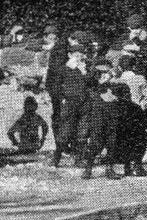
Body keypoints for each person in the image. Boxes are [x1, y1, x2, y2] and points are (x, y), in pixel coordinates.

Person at [51, 39, 94, 168]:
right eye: (76, 55)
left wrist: (84, 72)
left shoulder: (87, 68)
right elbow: (55, 86)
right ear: (70, 55)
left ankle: (79, 158)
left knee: (83, 131)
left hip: (84, 103)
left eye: (81, 55)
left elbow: (92, 83)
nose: (79, 58)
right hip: (69, 103)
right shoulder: (64, 69)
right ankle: (56, 158)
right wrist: (61, 98)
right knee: (65, 131)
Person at [82, 81, 129, 179]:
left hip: (111, 128)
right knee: (94, 148)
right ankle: (88, 170)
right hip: (98, 128)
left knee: (111, 148)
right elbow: (88, 115)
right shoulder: (96, 101)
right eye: (114, 93)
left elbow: (120, 116)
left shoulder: (116, 102)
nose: (116, 96)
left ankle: (108, 170)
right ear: (108, 90)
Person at [116, 56, 147, 175]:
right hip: (137, 112)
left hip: (121, 113)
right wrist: (144, 105)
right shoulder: (140, 78)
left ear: (120, 68)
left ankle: (127, 167)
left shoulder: (116, 80)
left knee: (125, 138)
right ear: (134, 66)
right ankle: (138, 166)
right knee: (139, 139)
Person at [43, 24, 69, 138]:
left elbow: (57, 67)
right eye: (49, 37)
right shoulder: (51, 49)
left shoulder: (60, 49)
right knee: (56, 113)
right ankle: (58, 139)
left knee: (61, 114)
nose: (51, 40)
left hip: (60, 85)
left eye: (54, 38)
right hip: (53, 85)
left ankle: (62, 140)